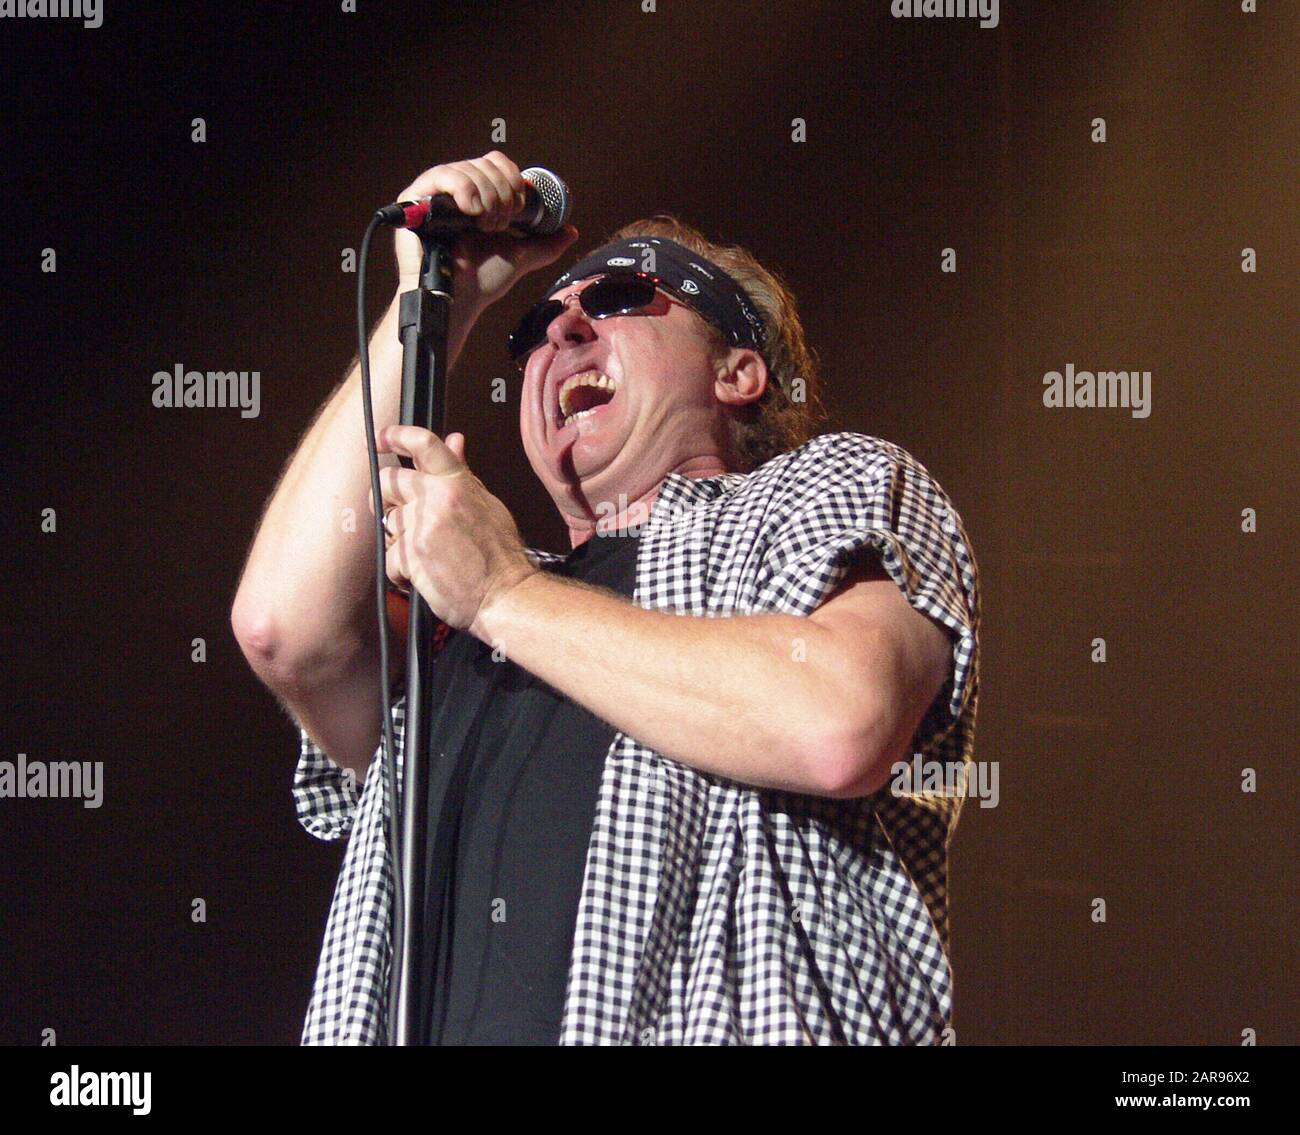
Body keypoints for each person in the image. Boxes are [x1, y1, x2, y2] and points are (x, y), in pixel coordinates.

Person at [232, 151, 981, 1046]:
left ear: (739, 371)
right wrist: (438, 298)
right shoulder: (470, 630)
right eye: (538, 325)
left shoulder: (828, 489)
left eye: (622, 298)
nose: (563, 331)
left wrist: (500, 589)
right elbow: (284, 628)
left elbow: (839, 721)